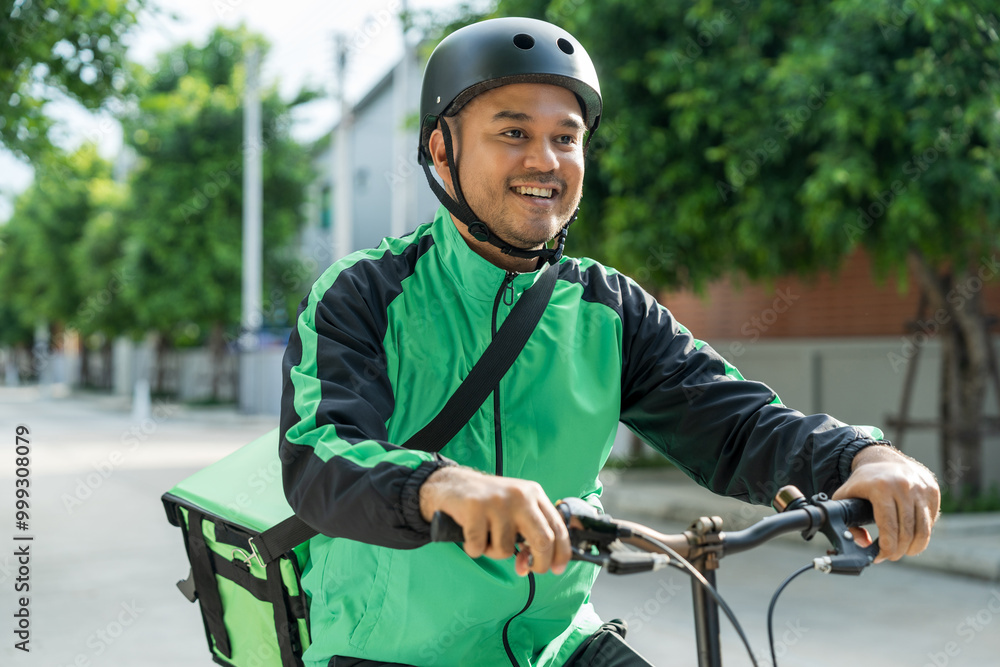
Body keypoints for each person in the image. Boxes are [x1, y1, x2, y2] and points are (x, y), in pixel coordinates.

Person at [280, 16, 940, 667]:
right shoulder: (364, 293)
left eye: (566, 138)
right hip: (391, 650)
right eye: (514, 132)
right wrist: (441, 487)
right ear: (443, 151)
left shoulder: (607, 308)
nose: (546, 160)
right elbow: (320, 455)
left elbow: (737, 424)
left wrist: (860, 456)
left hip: (556, 645)